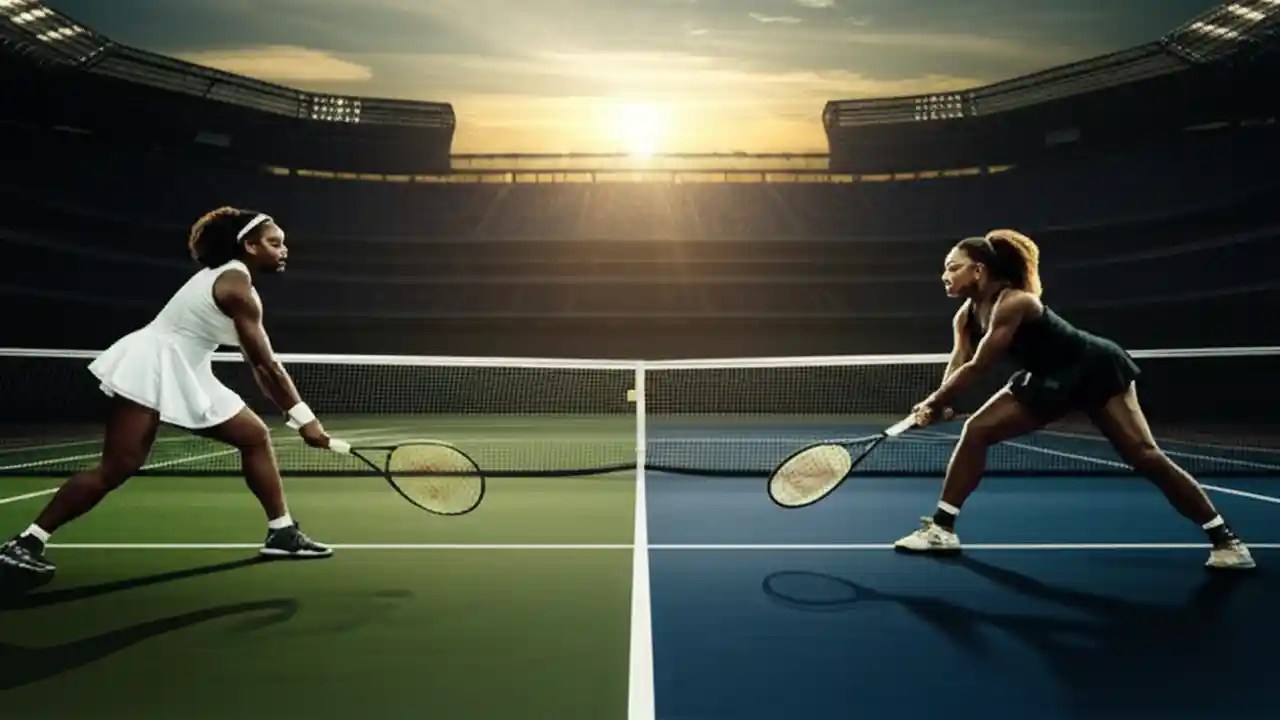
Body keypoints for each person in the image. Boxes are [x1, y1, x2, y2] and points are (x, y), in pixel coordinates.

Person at [0, 207, 335, 585]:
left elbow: (258, 364)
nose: (283, 250)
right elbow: (266, 366)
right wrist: (306, 421)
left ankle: (282, 532)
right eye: (275, 243)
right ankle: (25, 543)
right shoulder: (236, 287)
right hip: (153, 363)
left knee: (254, 435)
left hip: (188, 366)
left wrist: (299, 417)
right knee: (118, 465)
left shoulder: (233, 280)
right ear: (249, 246)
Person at [893, 229, 1254, 570]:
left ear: (979, 270)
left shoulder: (1015, 303)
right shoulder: (966, 316)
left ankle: (1227, 542)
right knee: (976, 430)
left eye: (953, 267)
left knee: (1144, 456)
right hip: (1046, 379)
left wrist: (933, 402)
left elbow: (978, 367)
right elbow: (958, 362)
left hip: (1092, 368)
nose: (945, 275)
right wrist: (940, 403)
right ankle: (942, 529)